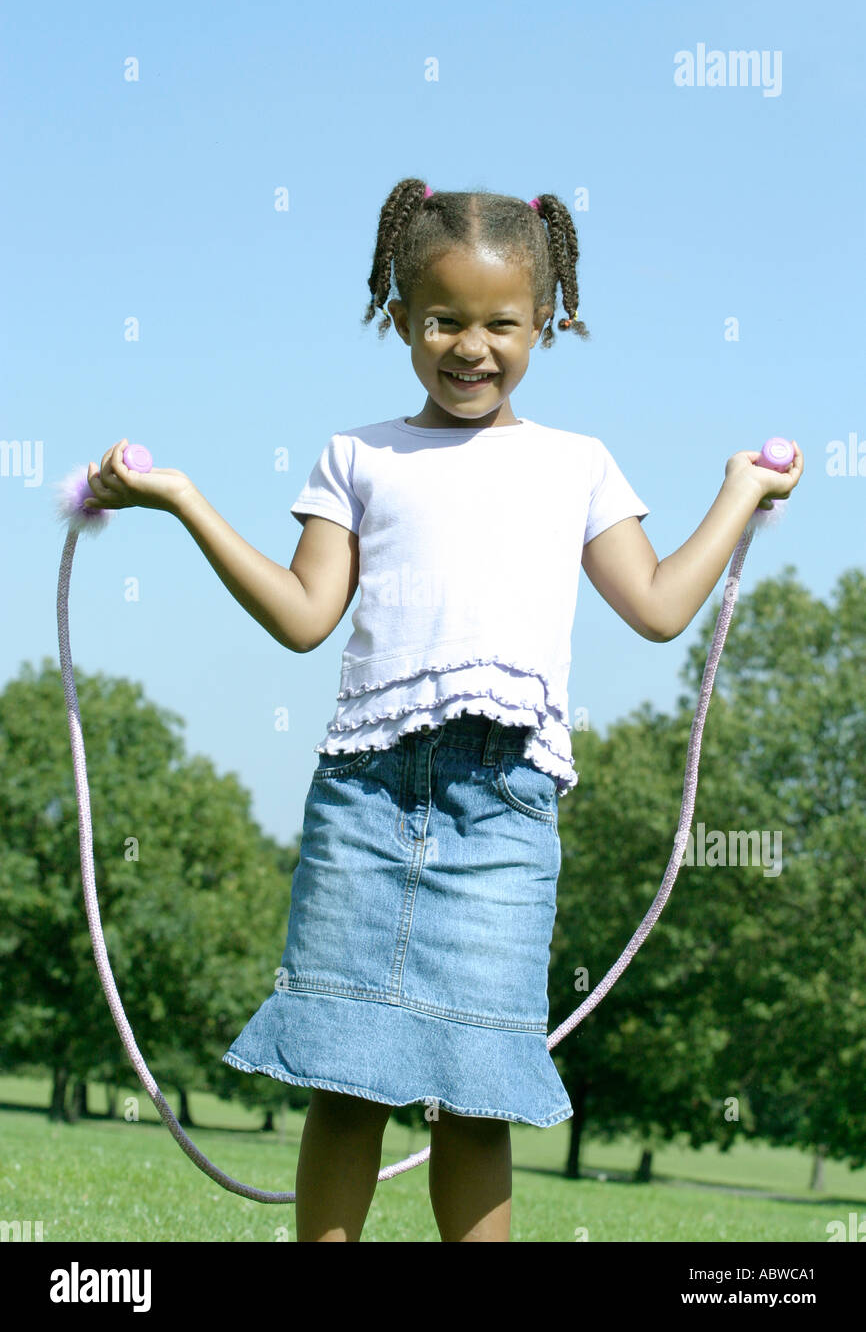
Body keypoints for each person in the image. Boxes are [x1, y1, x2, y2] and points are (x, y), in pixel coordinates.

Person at [83, 178, 803, 1243]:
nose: (470, 346)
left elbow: (654, 607)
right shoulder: (358, 455)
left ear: (545, 320)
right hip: (365, 801)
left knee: (476, 1092)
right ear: (398, 313)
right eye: (442, 320)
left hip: (503, 812)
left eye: (499, 323)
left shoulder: (575, 463)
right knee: (345, 1078)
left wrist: (739, 490)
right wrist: (184, 500)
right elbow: (302, 615)